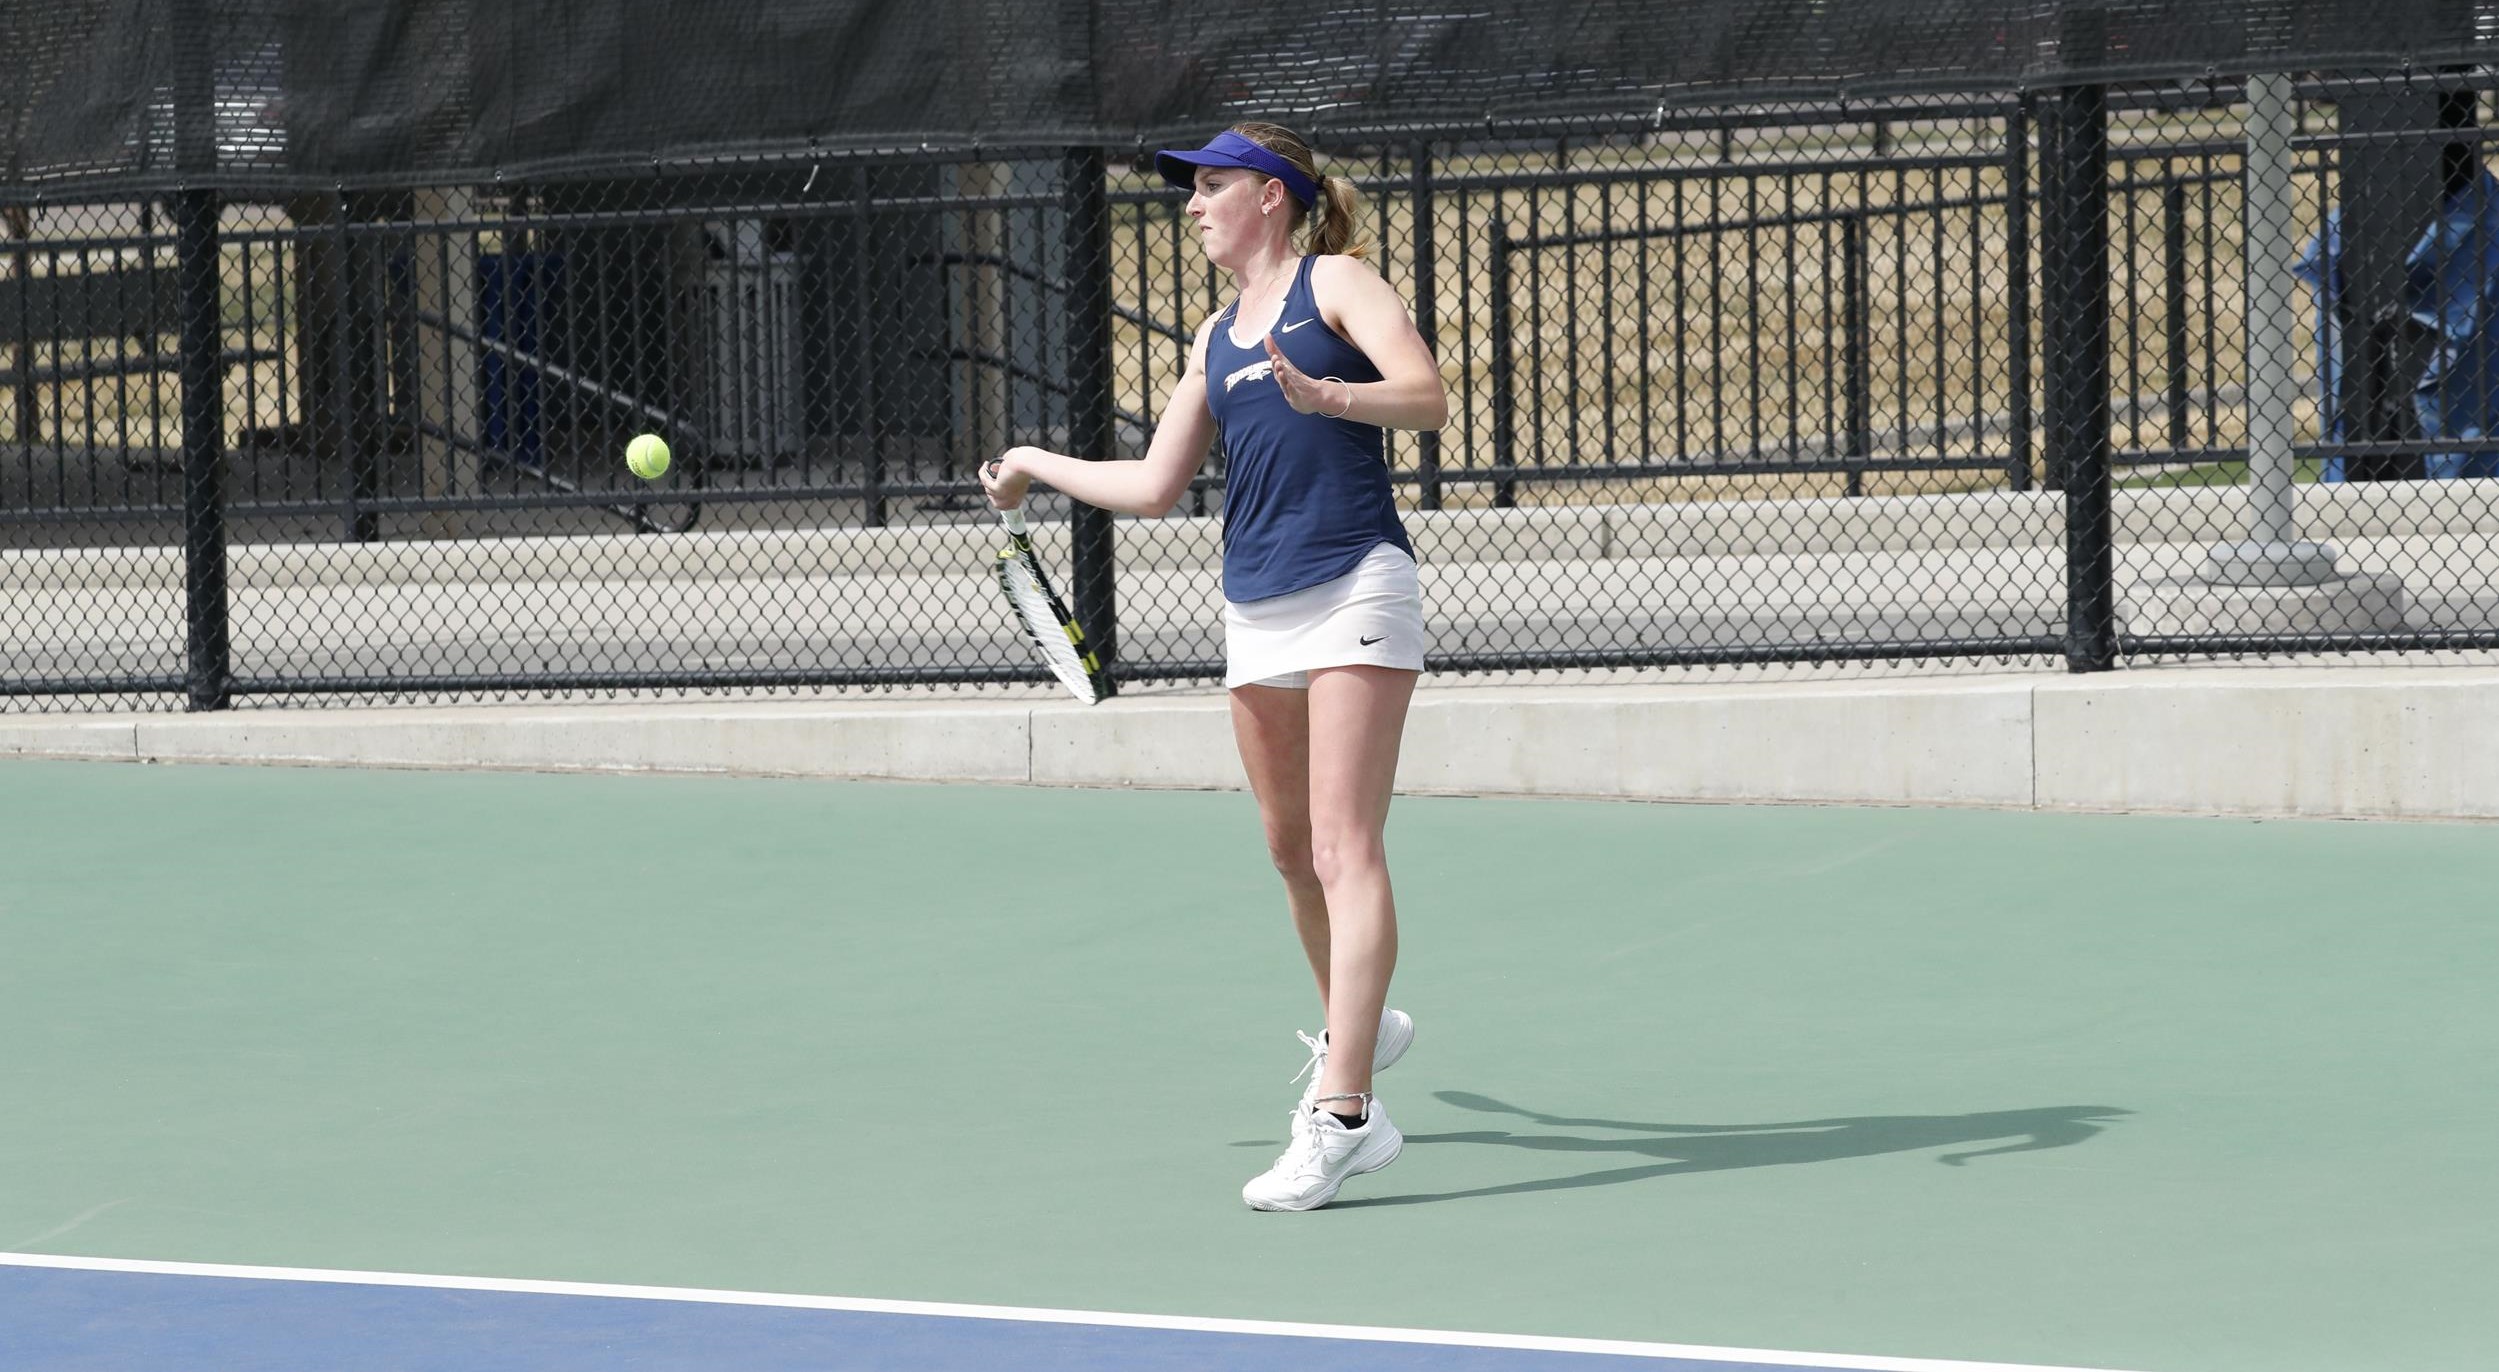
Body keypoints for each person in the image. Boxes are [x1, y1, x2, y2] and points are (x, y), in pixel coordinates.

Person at [980, 122, 1449, 1211]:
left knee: (1344, 846)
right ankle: (1362, 1018)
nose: (1191, 203)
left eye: (1212, 185)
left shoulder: (1339, 284)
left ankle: (1346, 1111)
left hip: (1355, 583)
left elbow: (1425, 396)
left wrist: (1334, 398)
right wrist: (1034, 466)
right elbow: (1153, 484)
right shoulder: (1210, 337)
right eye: (1191, 189)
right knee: (1290, 850)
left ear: (1272, 198)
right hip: (1259, 606)